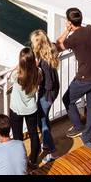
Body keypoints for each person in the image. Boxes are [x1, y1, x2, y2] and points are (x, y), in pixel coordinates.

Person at [57, 7, 91, 146]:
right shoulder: (90, 29)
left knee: (67, 99)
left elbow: (58, 45)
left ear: (70, 22)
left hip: (84, 78)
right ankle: (87, 138)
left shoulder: (73, 38)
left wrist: (67, 30)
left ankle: (78, 127)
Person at [30, 30, 61, 163]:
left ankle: (53, 151)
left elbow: (48, 83)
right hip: (53, 92)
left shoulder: (43, 63)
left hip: (47, 94)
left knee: (41, 122)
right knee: (44, 119)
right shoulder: (51, 50)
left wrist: (37, 77)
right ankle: (47, 143)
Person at [8, 48, 42, 167]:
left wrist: (19, 65)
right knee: (33, 134)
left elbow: (11, 76)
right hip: (31, 109)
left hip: (16, 110)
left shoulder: (16, 76)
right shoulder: (38, 73)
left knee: (18, 138)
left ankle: (21, 161)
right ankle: (33, 160)